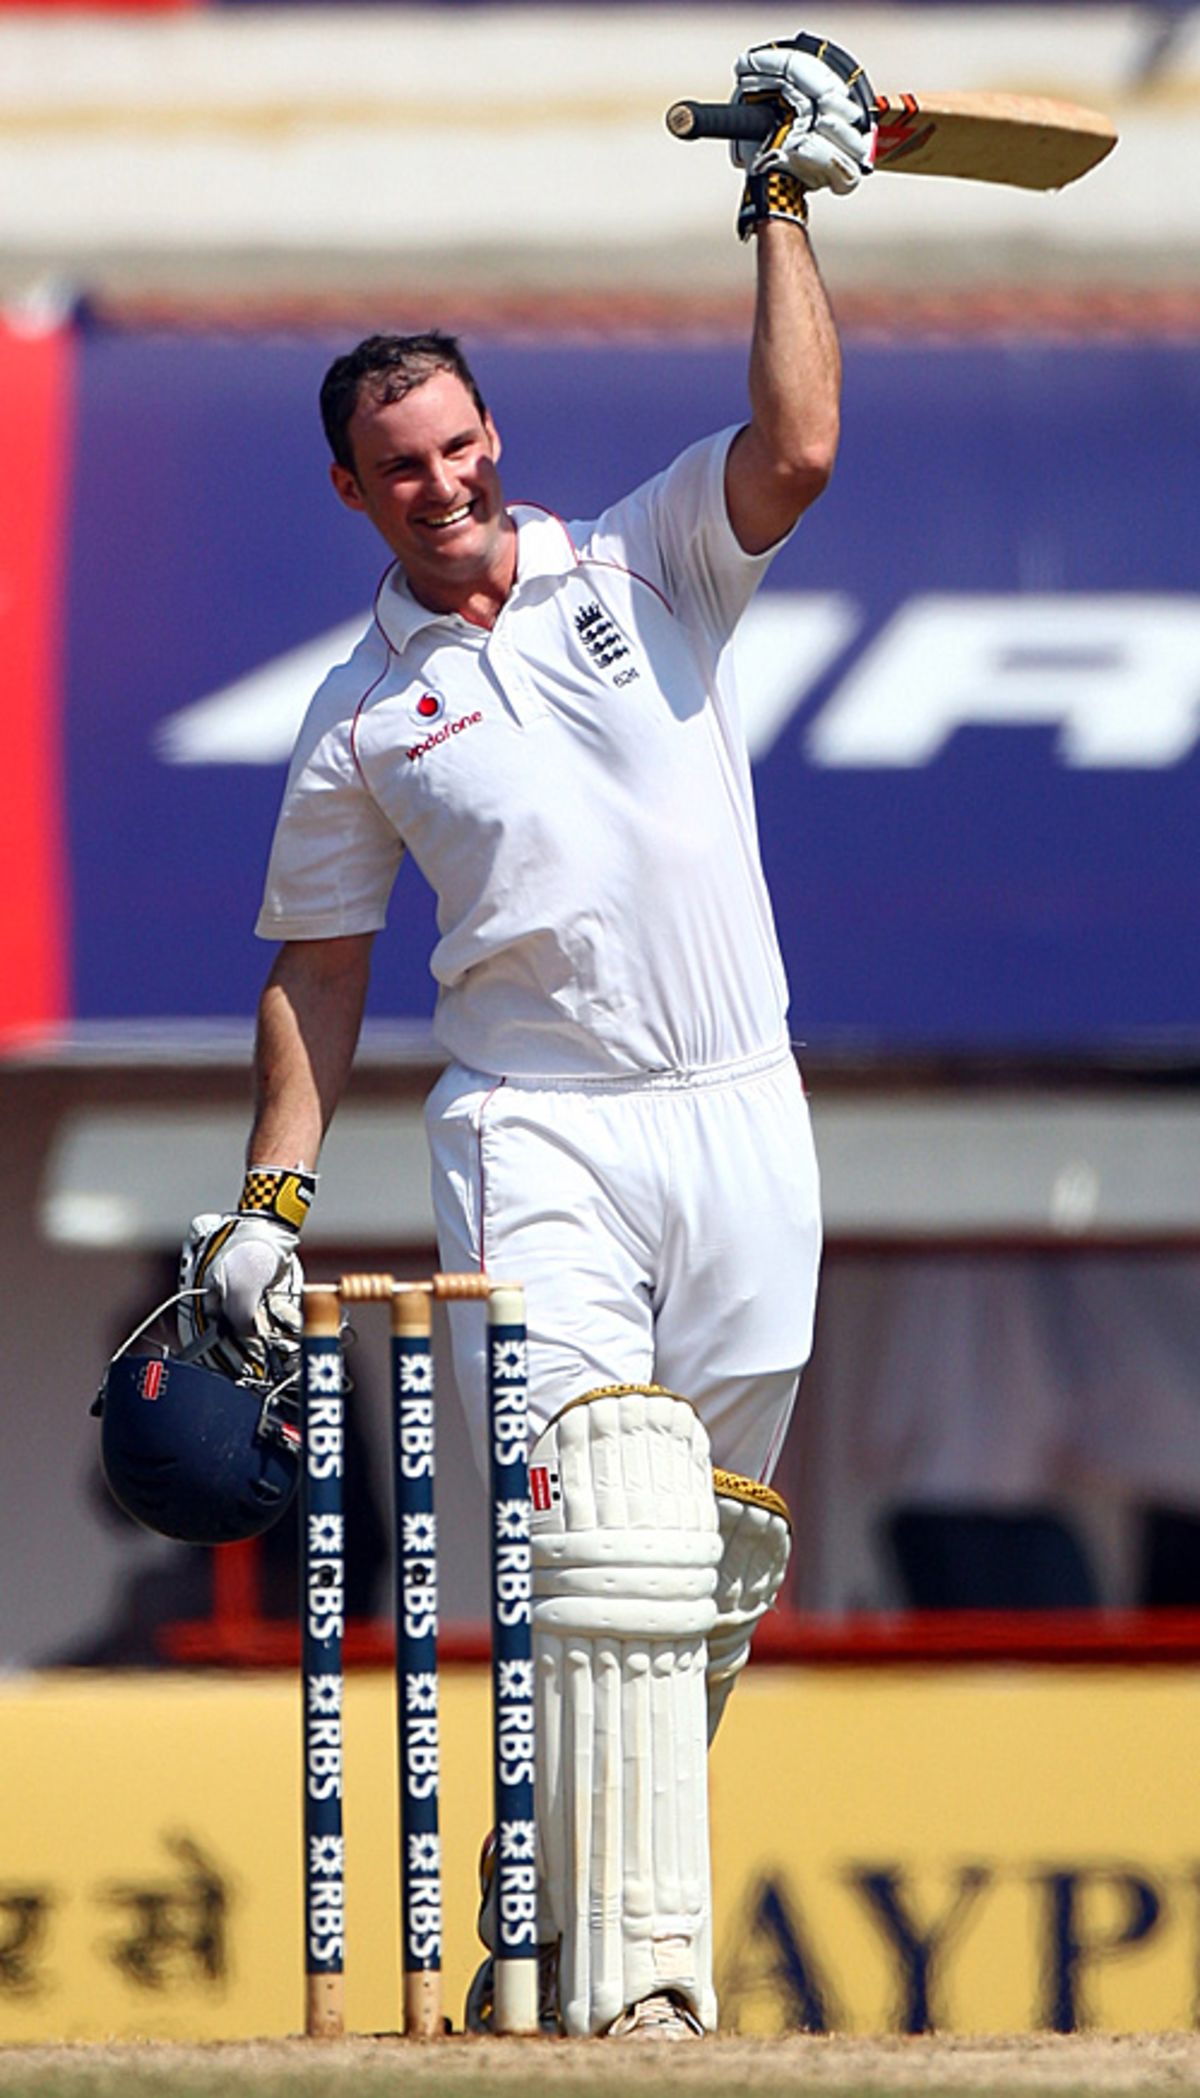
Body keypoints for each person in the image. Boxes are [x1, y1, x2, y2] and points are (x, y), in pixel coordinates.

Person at [180, 30, 876, 2042]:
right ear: (353, 489)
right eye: (404, 467)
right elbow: (318, 965)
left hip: (745, 1108)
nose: (447, 482)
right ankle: (635, 1980)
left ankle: (568, 1888)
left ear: (497, 429)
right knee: (608, 1526)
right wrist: (268, 1202)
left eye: (464, 445)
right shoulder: (352, 713)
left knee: (714, 1568)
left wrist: (782, 201)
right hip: (543, 1130)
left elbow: (803, 447)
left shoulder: (644, 557)